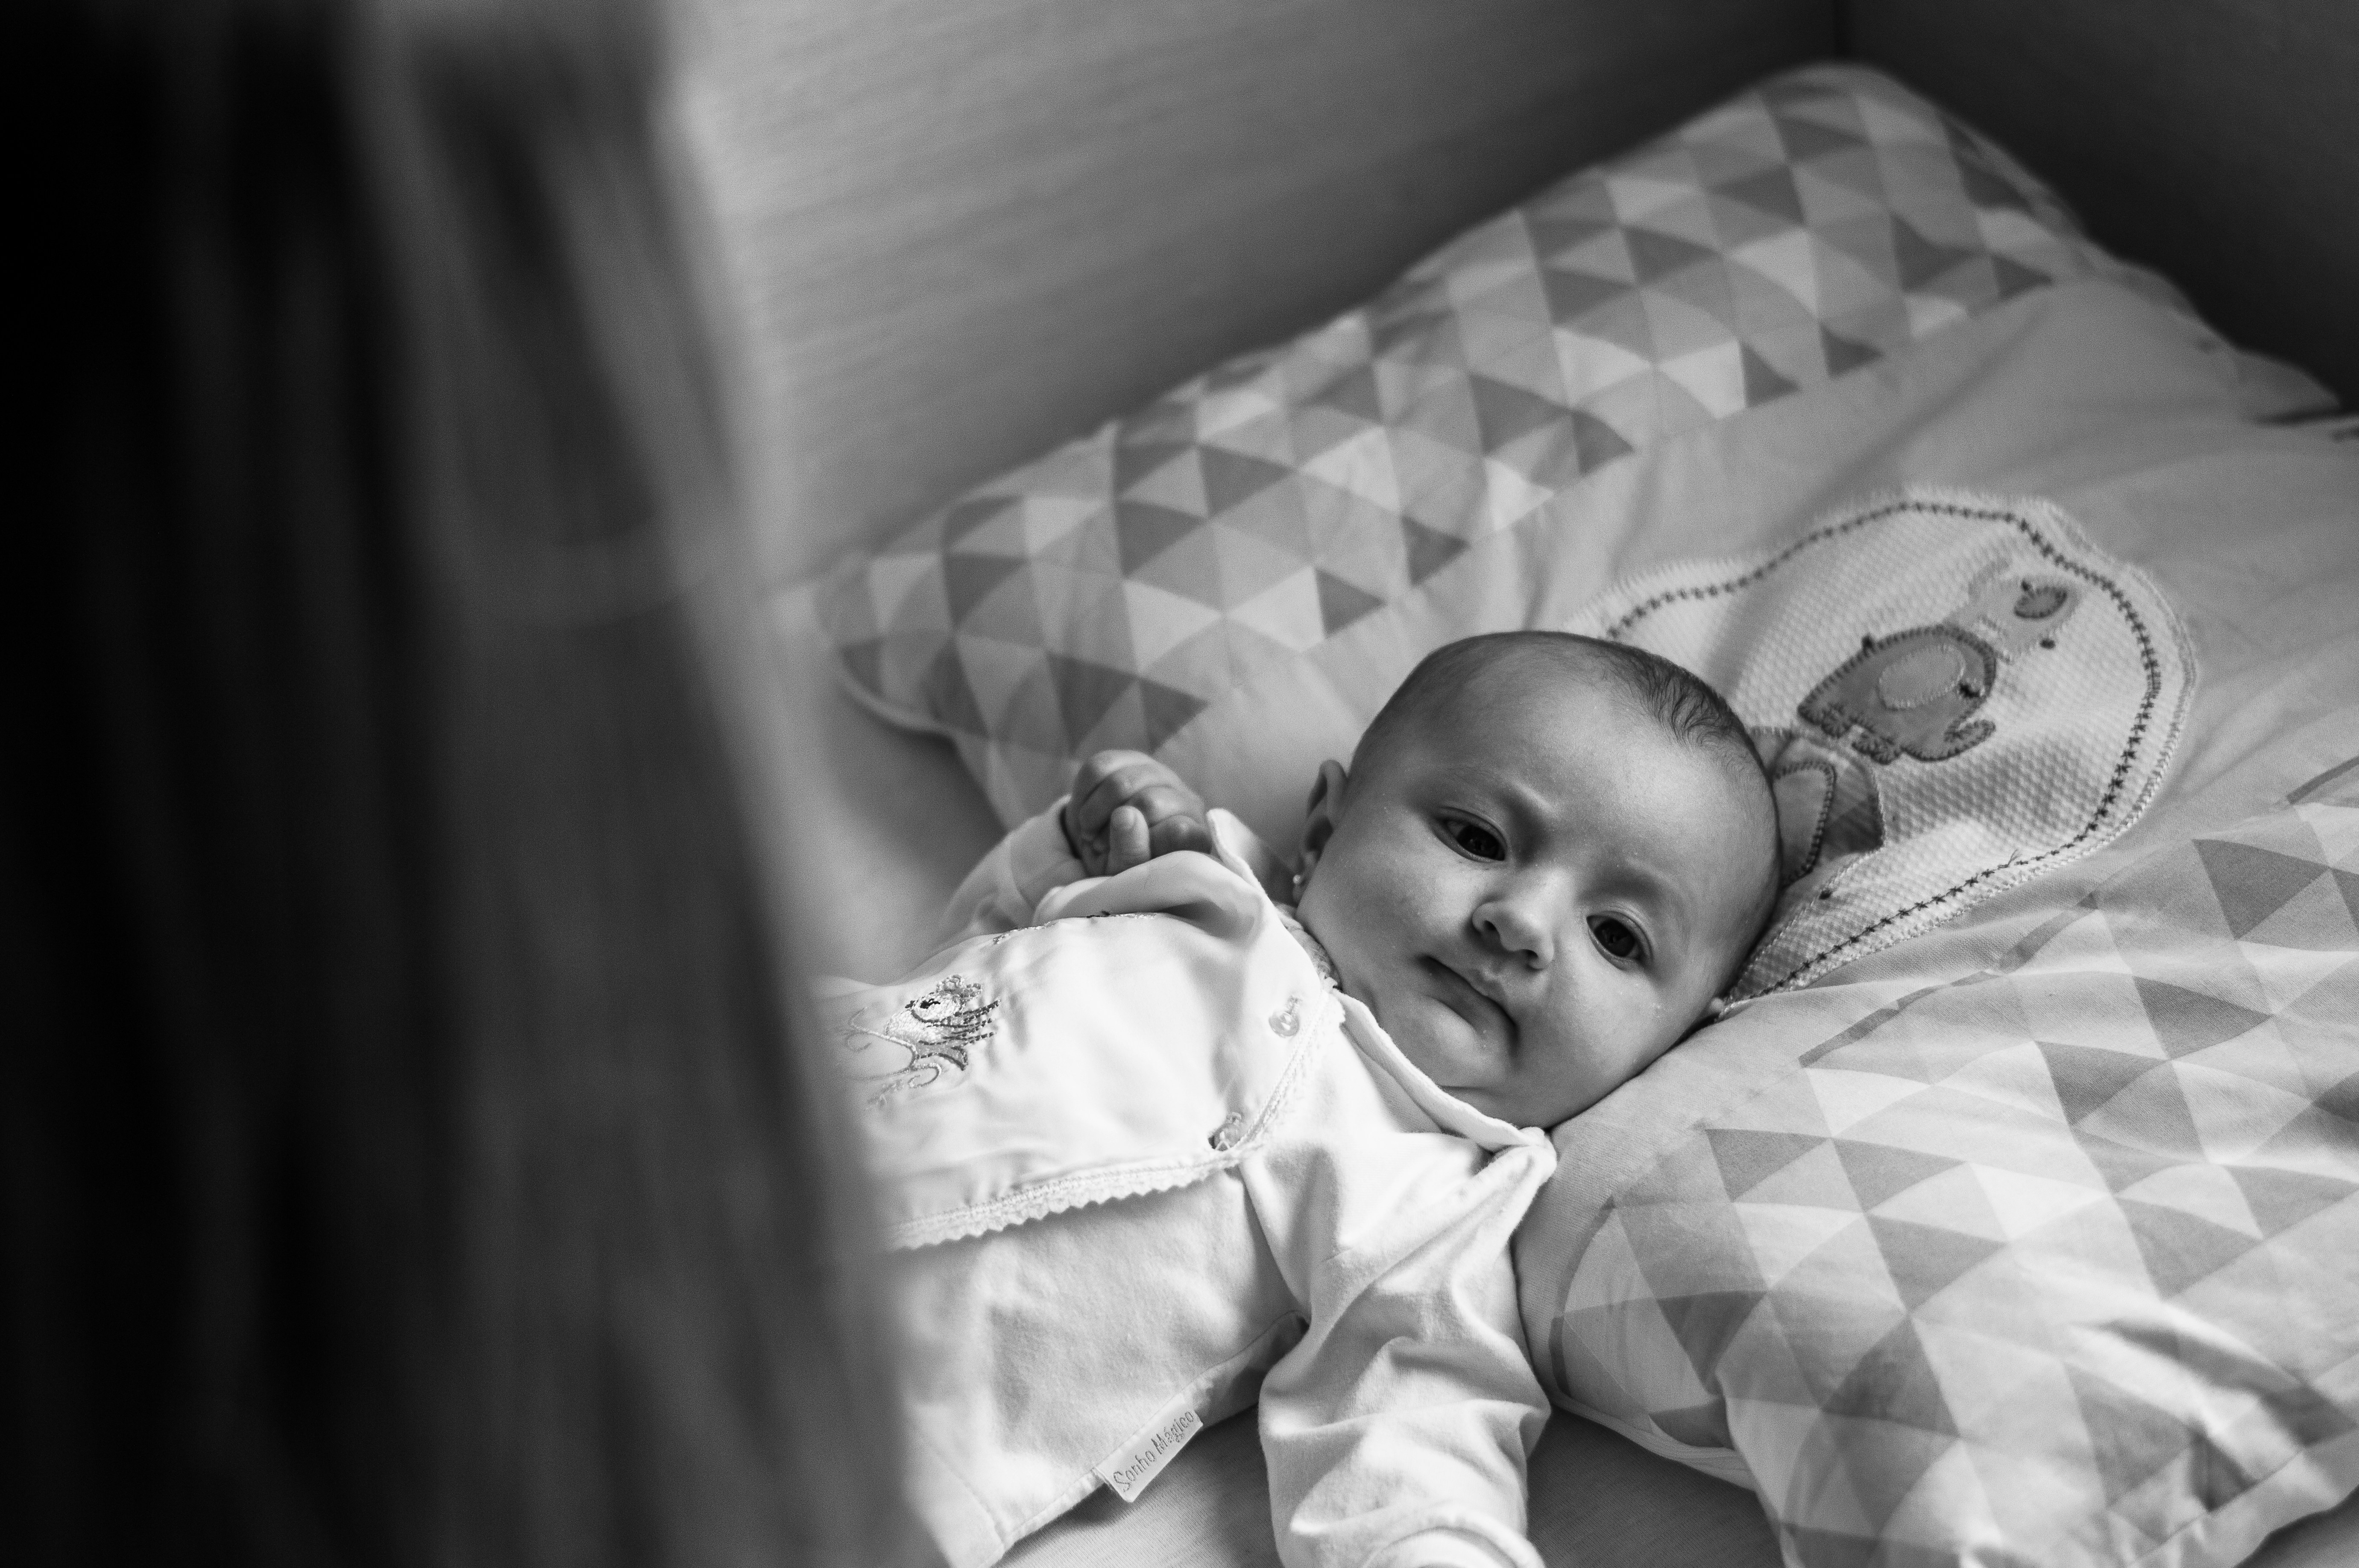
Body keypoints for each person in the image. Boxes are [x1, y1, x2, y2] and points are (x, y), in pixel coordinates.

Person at [822, 630, 1782, 1568]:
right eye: (1476, 837)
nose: (1521, 922)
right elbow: (966, 966)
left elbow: (1411, 1433)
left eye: (1617, 937)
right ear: (1324, 829)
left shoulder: (1430, 1197)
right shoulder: (1183, 882)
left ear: (1675, 1040)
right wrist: (1069, 851)